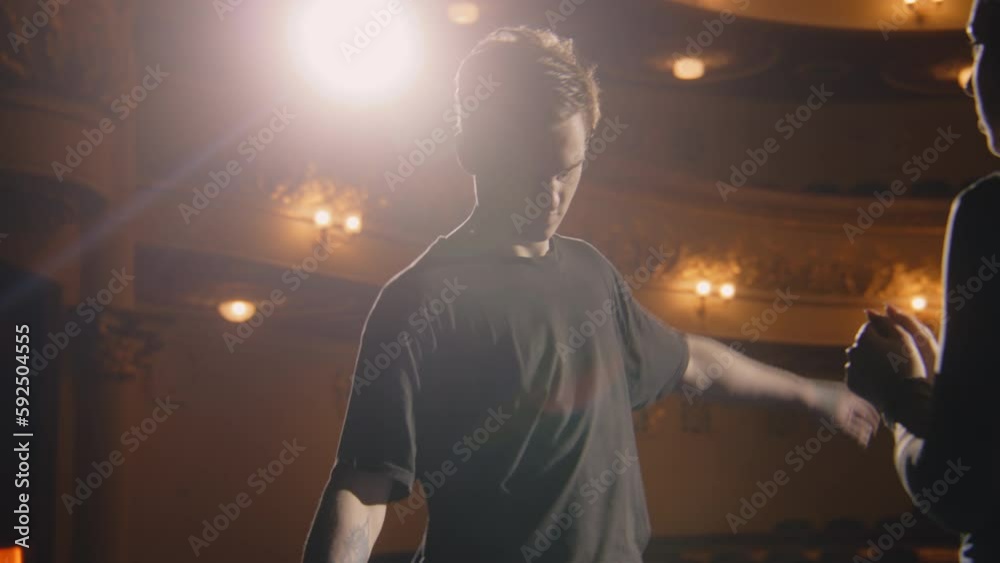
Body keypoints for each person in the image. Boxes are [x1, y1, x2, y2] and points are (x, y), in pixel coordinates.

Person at [304, 27, 879, 563]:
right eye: (529, 170)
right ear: (473, 150)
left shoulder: (592, 273)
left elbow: (693, 362)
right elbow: (366, 483)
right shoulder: (419, 301)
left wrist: (812, 395)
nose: (552, 195)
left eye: (568, 169)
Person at [845, 1, 999, 561]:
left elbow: (962, 489)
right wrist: (936, 382)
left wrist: (900, 397)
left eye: (982, 44)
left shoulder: (990, 212)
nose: (970, 82)